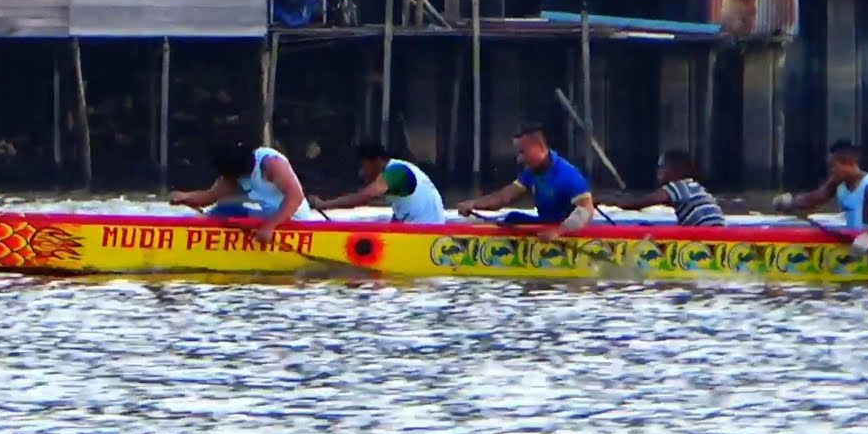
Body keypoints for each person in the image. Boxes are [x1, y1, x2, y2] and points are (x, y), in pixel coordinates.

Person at [456, 123, 594, 241]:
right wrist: (473, 204)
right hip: (545, 226)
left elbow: (586, 210)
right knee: (512, 218)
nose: (519, 159)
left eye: (522, 152)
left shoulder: (568, 174)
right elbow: (504, 197)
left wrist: (558, 232)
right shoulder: (532, 172)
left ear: (539, 147)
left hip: (564, 231)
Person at [773, 139, 868, 256]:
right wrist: (791, 203)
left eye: (833, 166)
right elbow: (816, 198)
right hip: (853, 238)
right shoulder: (838, 180)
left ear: (849, 164)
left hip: (867, 241)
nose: (831, 171)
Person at [170, 141, 317, 243]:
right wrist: (184, 197)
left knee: (230, 209)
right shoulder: (234, 173)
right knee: (225, 209)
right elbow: (210, 196)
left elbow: (296, 196)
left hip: (294, 218)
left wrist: (270, 226)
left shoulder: (271, 162)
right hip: (269, 215)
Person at [307, 142, 447, 224]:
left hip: (424, 233)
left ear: (377, 161)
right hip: (426, 228)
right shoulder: (402, 168)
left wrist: (324, 205)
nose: (362, 172)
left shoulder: (396, 172)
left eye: (364, 166)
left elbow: (363, 197)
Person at [602, 150, 725, 226]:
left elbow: (638, 202)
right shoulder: (695, 187)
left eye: (662, 166)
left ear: (676, 170)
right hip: (720, 236)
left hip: (707, 237)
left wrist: (604, 200)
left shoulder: (678, 187)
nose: (658, 171)